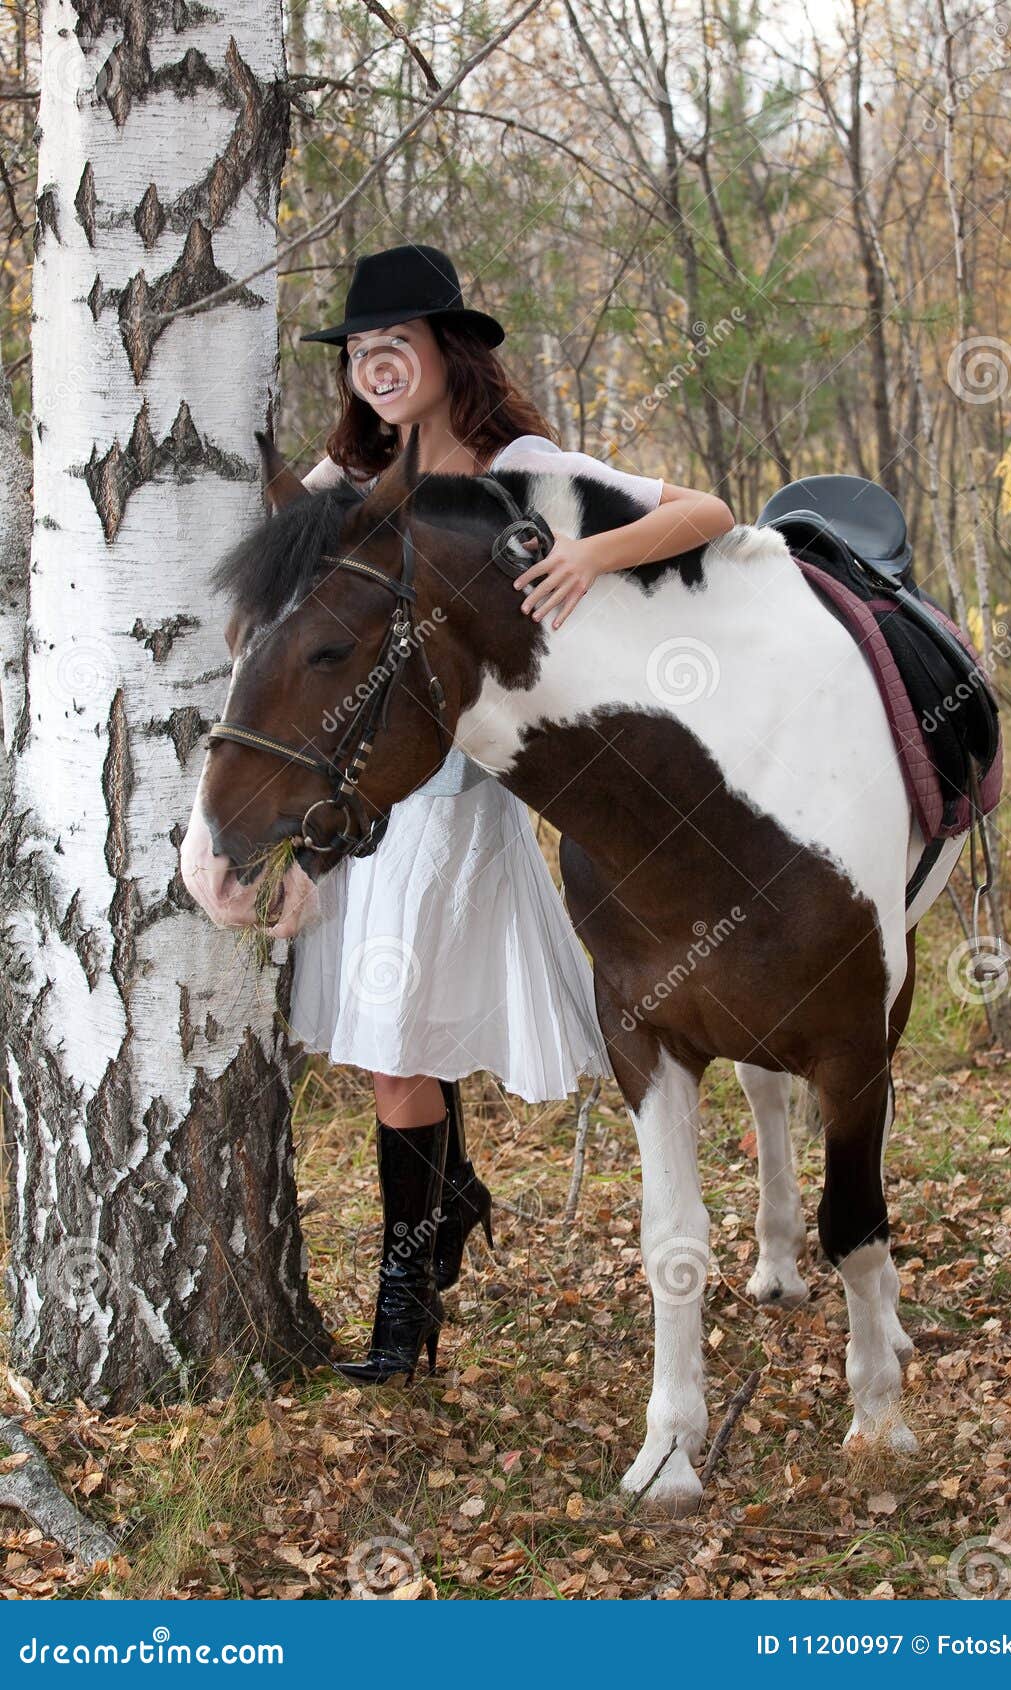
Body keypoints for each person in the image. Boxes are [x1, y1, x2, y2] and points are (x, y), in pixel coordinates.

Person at [291, 242, 734, 1383]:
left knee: (396, 1047)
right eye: (360, 354)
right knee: (397, 1048)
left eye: (397, 345)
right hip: (364, 797)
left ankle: (404, 1316)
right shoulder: (348, 478)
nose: (376, 368)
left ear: (448, 351)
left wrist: (590, 552)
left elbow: (703, 509)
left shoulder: (521, 463)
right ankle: (451, 1202)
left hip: (458, 797)